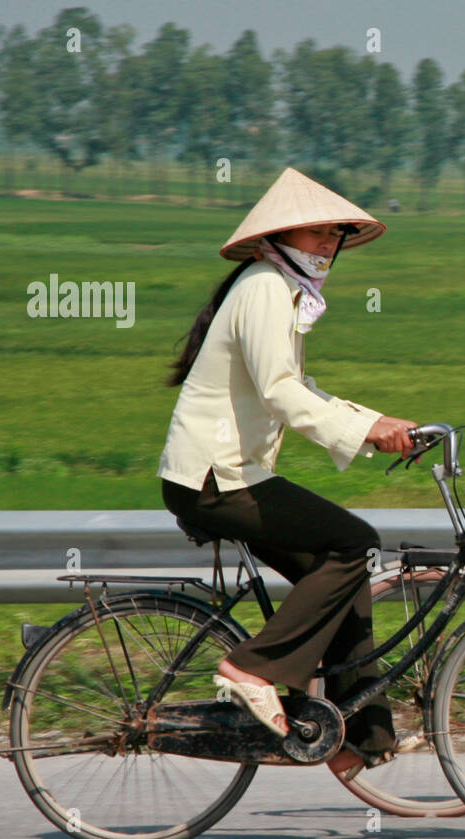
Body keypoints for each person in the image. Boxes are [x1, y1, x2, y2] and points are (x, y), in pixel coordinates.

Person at [157, 167, 417, 779]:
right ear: (285, 233)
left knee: (345, 580)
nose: (332, 243)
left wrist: (376, 422)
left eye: (338, 234)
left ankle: (357, 735)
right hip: (216, 479)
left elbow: (297, 388)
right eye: (321, 232)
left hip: (228, 474)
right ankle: (252, 668)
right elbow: (280, 392)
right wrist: (365, 430)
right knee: (354, 542)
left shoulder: (277, 287)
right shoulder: (267, 287)